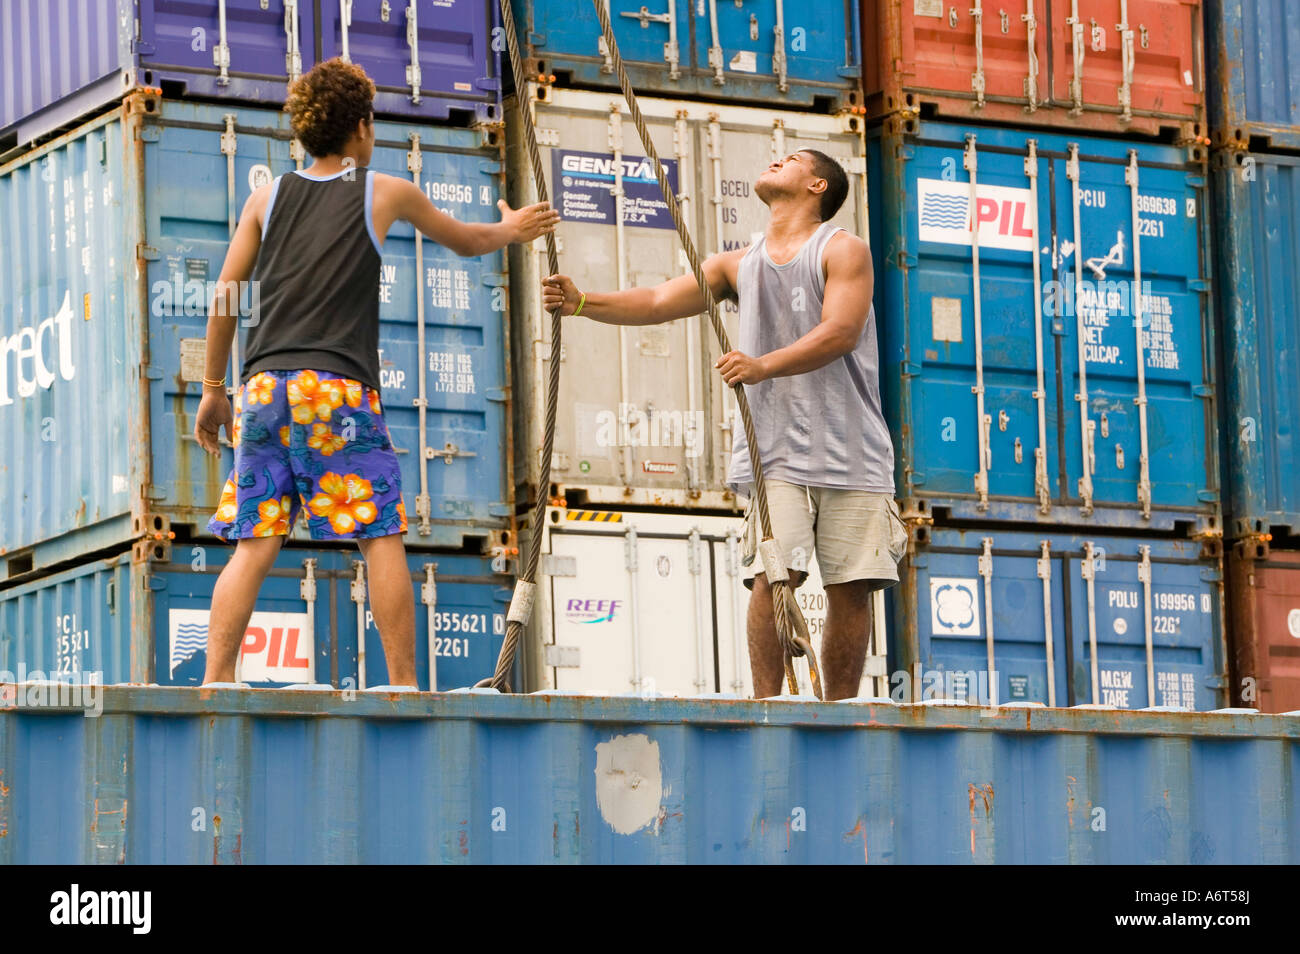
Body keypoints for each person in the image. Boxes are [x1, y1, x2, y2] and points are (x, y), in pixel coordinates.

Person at [194, 59, 559, 686]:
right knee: (379, 534)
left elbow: (226, 293)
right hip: (335, 390)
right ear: (362, 127)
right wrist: (512, 227)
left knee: (254, 541)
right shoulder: (383, 190)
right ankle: (401, 685)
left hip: (262, 389)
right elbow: (468, 241)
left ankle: (216, 679)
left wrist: (210, 390)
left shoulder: (265, 197)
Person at [541, 149, 904, 700]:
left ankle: (842, 711)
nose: (776, 159)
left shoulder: (843, 248)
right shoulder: (736, 264)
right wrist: (584, 301)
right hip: (776, 451)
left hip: (854, 450)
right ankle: (767, 709)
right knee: (771, 576)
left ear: (819, 187)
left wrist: (762, 365)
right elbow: (659, 300)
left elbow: (842, 331)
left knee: (852, 587)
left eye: (794, 159)